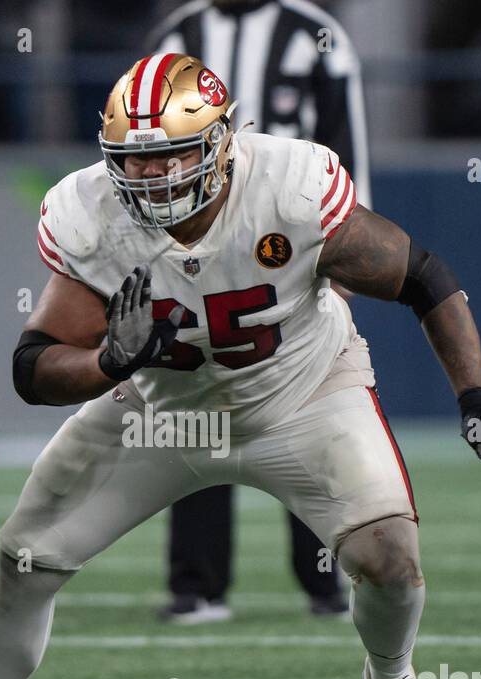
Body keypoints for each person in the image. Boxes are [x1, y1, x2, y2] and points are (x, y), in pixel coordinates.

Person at [0, 54, 481, 679]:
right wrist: (111, 361)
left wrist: (474, 398)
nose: (153, 177)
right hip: (162, 413)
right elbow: (32, 366)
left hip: (303, 395)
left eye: (171, 154)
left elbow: (423, 277)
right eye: (134, 162)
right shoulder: (91, 214)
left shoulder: (289, 186)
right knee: (28, 557)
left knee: (390, 557)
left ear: (224, 141)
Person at [147, 0, 371, 621]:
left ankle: (325, 577)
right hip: (192, 245)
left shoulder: (315, 34)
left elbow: (346, 146)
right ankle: (197, 582)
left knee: (302, 407)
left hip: (291, 246)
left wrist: (346, 257)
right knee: (195, 403)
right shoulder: (177, 33)